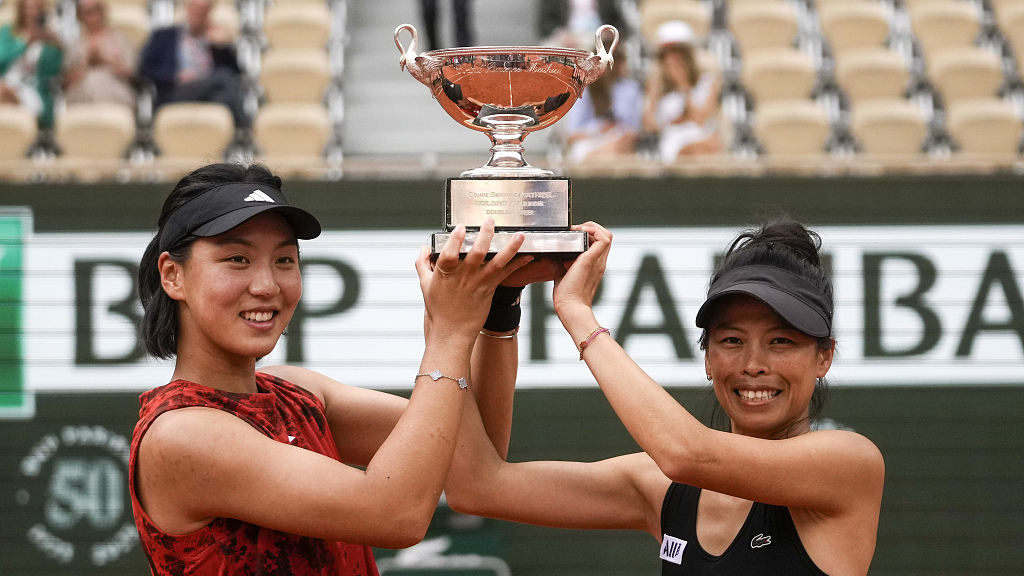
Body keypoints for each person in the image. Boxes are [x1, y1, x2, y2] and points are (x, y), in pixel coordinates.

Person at [130, 162, 535, 574]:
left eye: (285, 260)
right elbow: (396, 514)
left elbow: (474, 451)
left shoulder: (297, 391)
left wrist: (500, 303)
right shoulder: (181, 434)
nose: (267, 285)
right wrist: (448, 334)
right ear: (172, 275)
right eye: (237, 258)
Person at [445, 218, 885, 575]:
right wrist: (498, 306)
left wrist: (577, 312)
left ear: (824, 357)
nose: (754, 364)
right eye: (732, 341)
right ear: (707, 358)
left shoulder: (849, 463)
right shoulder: (661, 487)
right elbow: (477, 488)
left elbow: (687, 455)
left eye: (781, 342)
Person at [137, 0, 248, 128]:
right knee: (223, 77)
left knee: (222, 95)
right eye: (195, 9)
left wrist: (224, 47)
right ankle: (245, 130)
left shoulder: (215, 41)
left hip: (208, 93)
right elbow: (144, 68)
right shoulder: (164, 36)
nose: (198, 14)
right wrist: (176, 76)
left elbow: (237, 75)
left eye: (202, 11)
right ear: (187, 9)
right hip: (174, 92)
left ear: (209, 13)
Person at [642, 20, 722, 162]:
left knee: (707, 147)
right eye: (666, 55)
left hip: (704, 138)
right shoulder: (657, 88)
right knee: (696, 151)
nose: (672, 60)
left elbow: (700, 121)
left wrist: (684, 85)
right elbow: (650, 127)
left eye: (679, 54)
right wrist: (653, 96)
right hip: (674, 143)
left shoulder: (708, 82)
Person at [561, 44, 642, 163]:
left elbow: (635, 131)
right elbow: (572, 136)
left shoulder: (630, 89)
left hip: (621, 142)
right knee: (612, 151)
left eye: (618, 60)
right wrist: (599, 130)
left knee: (621, 144)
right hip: (590, 142)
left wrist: (614, 132)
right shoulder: (583, 90)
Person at [0, 0, 63, 128]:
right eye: (27, 8)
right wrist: (24, 42)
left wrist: (51, 41)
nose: (30, 13)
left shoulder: (49, 38)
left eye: (34, 8)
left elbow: (53, 72)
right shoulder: (9, 31)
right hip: (6, 83)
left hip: (32, 90)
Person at [63, 0, 137, 108]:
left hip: (116, 91)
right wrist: (87, 62)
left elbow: (133, 77)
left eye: (95, 10)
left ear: (103, 12)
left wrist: (106, 60)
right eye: (87, 12)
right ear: (79, 17)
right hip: (81, 95)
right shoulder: (74, 46)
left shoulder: (121, 40)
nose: (92, 16)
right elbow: (66, 83)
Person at [538, 0, 625, 48]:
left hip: (597, 37)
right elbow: (545, 23)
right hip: (566, 36)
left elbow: (618, 21)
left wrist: (608, 33)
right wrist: (562, 35)